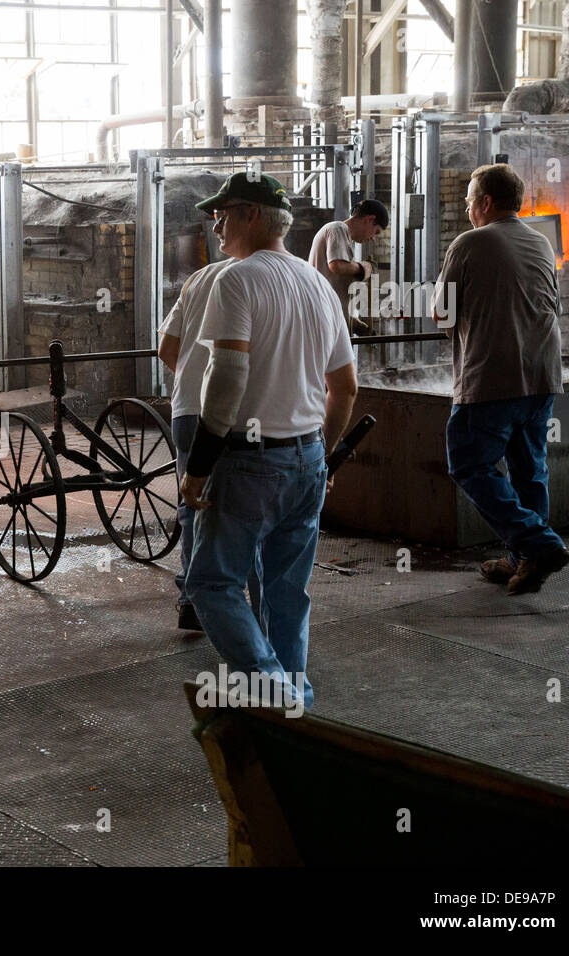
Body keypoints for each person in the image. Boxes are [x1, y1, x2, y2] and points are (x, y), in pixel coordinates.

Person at [179, 172, 359, 711]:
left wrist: (198, 464)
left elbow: (228, 377)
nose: (215, 223)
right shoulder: (318, 285)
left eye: (223, 212)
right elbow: (345, 388)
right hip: (305, 455)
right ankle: (295, 701)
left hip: (250, 462)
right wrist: (321, 457)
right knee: (285, 591)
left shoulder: (236, 281)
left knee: (211, 583)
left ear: (252, 215)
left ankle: (275, 692)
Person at [432, 163, 569, 595]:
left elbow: (443, 314)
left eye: (471, 200)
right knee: (529, 471)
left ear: (486, 203)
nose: (470, 208)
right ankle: (522, 560)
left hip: (492, 379)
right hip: (543, 375)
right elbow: (553, 306)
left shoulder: (469, 242)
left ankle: (540, 545)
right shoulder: (541, 242)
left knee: (469, 464)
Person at [158, 253, 261, 633]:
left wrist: (192, 382)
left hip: (185, 411)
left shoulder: (197, 279)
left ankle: (191, 602)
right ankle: (250, 611)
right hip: (234, 416)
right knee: (243, 512)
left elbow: (166, 349)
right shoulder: (260, 279)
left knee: (192, 509)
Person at [307, 199, 389, 334]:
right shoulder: (337, 228)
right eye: (376, 231)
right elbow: (337, 266)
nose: (373, 238)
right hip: (324, 323)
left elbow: (335, 287)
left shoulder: (343, 236)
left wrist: (353, 323)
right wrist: (365, 268)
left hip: (330, 320)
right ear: (369, 220)